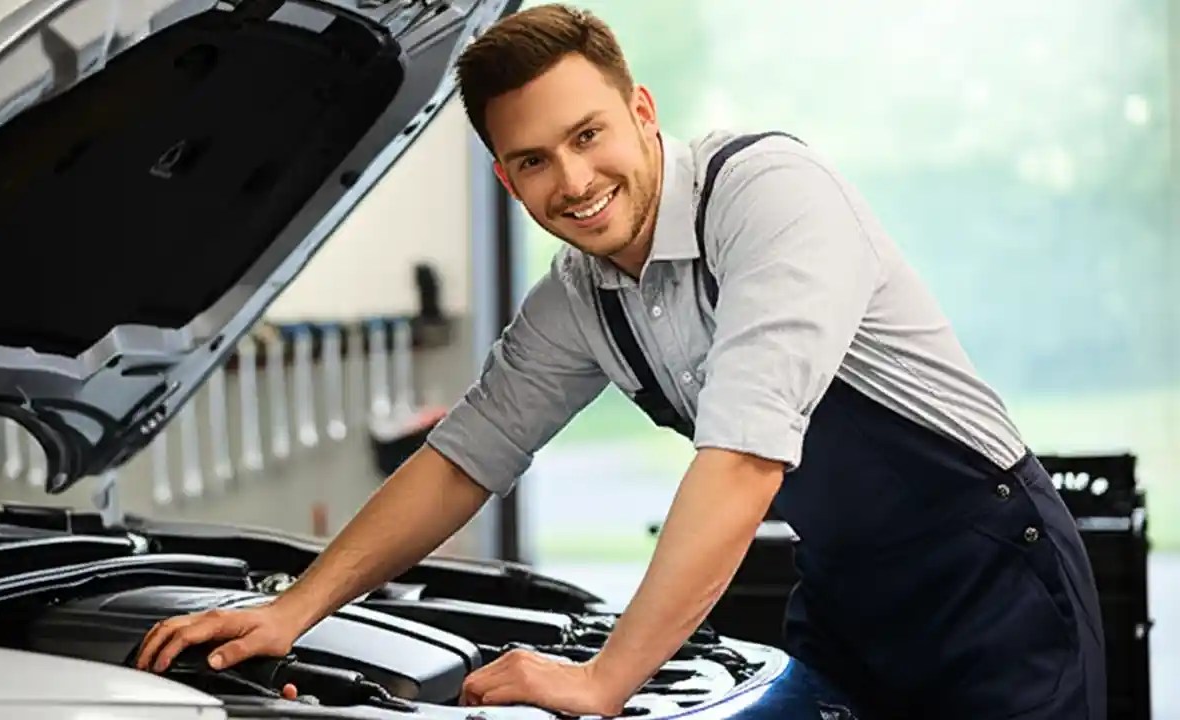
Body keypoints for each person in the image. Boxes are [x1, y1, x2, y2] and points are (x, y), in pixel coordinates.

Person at [136, 4, 1107, 718]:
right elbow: (464, 458)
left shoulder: (767, 194)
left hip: (993, 592)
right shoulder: (578, 301)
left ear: (640, 109)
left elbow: (742, 460)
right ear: (502, 174)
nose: (573, 182)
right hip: (847, 603)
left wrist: (604, 680)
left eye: (587, 134)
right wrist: (290, 612)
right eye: (532, 161)